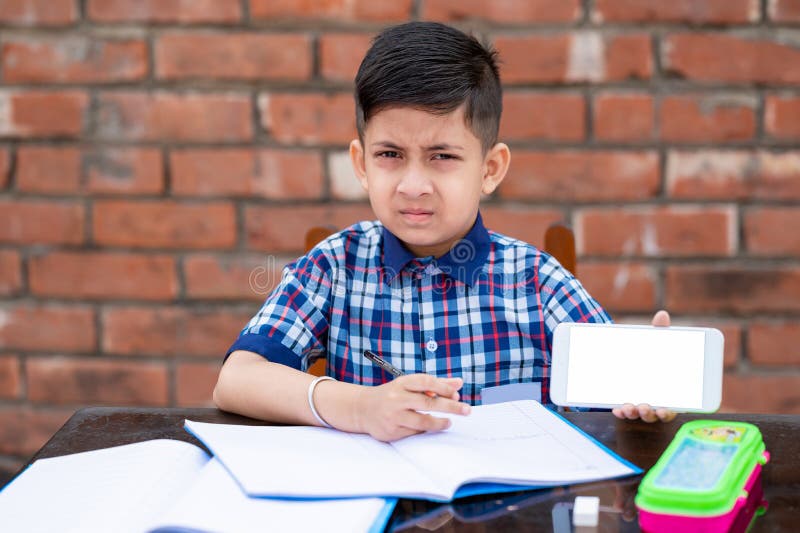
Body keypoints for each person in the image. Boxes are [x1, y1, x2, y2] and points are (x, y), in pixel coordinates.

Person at [213, 21, 675, 442]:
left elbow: (617, 399)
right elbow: (236, 380)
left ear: (490, 169)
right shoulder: (334, 267)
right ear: (361, 164)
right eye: (390, 155)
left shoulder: (537, 282)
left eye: (442, 156)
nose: (413, 186)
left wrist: (646, 392)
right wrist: (357, 405)